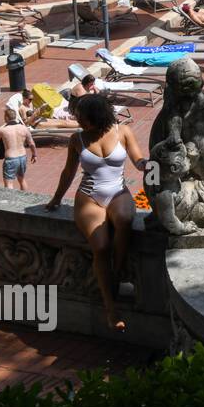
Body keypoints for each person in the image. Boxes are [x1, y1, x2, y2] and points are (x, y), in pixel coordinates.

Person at [45, 94, 146, 331]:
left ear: (97, 117)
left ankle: (117, 272)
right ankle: (111, 309)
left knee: (124, 219)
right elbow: (68, 172)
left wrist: (145, 165)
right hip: (89, 198)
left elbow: (137, 158)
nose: (79, 122)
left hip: (118, 192)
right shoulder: (77, 139)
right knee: (100, 247)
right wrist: (56, 199)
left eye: (83, 118)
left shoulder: (123, 131)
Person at [0, 109, 36, 190]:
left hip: (11, 159)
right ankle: (25, 198)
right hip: (22, 157)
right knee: (22, 180)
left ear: (6, 117)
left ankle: (11, 201)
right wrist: (34, 155)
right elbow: (32, 144)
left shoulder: (2, 130)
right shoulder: (24, 128)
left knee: (9, 184)